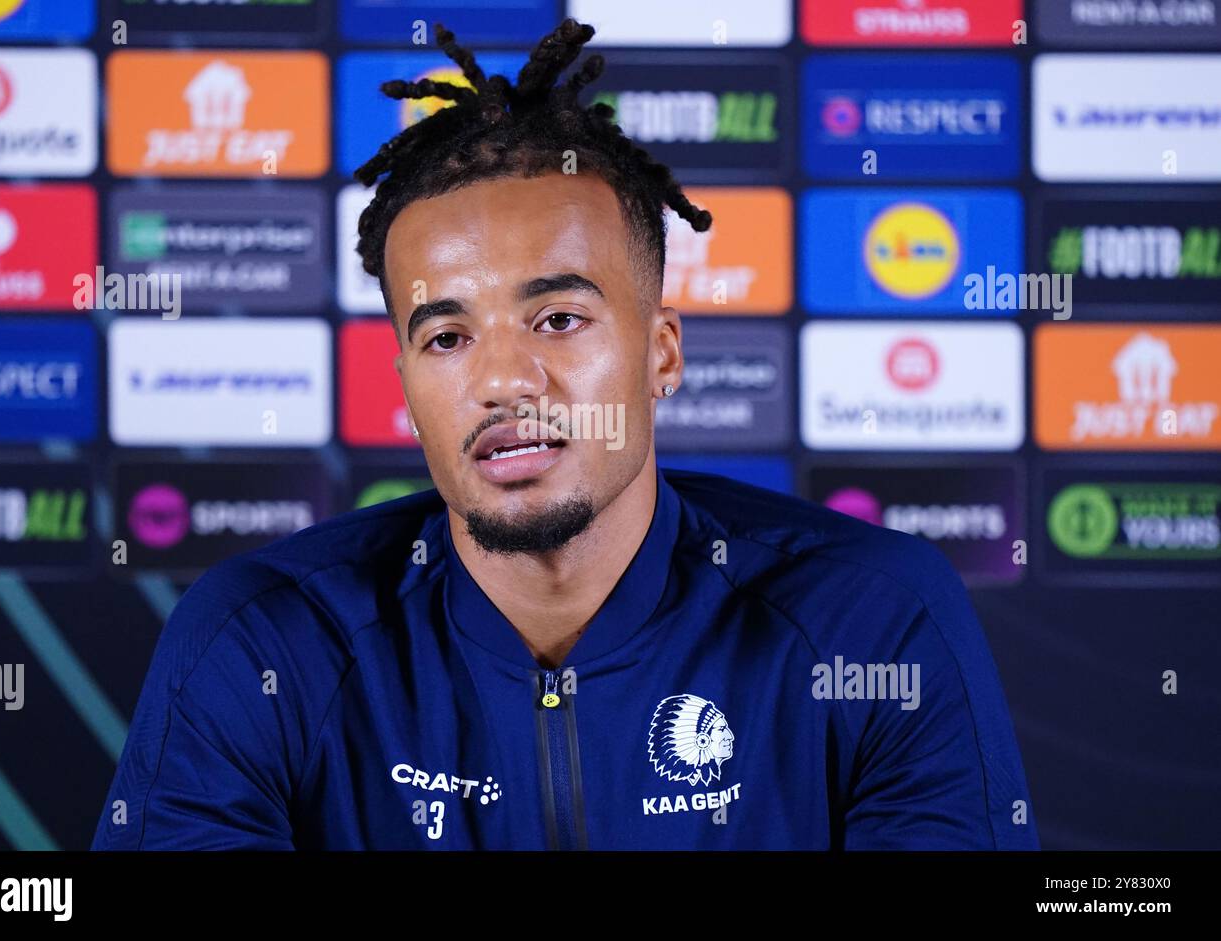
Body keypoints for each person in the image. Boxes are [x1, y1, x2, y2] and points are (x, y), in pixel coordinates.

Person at [91, 18, 1038, 850]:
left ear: (662, 353)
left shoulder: (873, 624)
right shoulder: (259, 644)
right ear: (408, 385)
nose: (503, 380)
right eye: (449, 336)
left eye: (558, 320)